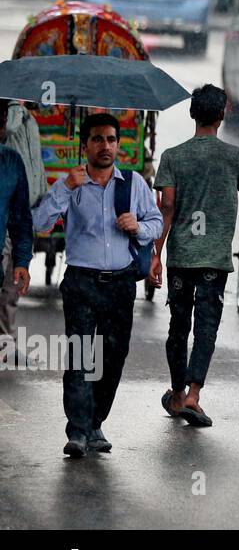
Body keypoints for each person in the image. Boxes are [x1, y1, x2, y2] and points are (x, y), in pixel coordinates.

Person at [32, 113, 162, 458]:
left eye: (111, 139)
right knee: (79, 356)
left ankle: (95, 423)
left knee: (112, 357)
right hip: (81, 282)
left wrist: (138, 226)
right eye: (97, 139)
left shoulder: (133, 184)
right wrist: (63, 188)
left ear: (118, 145)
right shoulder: (71, 184)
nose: (105, 146)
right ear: (85, 145)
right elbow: (40, 223)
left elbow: (157, 222)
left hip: (120, 285)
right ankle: (77, 430)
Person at [152, 84, 239, 428]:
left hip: (181, 258)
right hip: (214, 260)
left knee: (178, 325)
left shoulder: (173, 156)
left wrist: (155, 254)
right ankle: (193, 396)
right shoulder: (236, 158)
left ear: (192, 114)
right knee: (206, 327)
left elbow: (167, 207)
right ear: (222, 115)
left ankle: (175, 391)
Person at [0, 100, 40, 353]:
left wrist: (23, 259)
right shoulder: (18, 115)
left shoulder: (11, 162)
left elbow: (20, 218)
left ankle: (5, 343)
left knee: (8, 292)